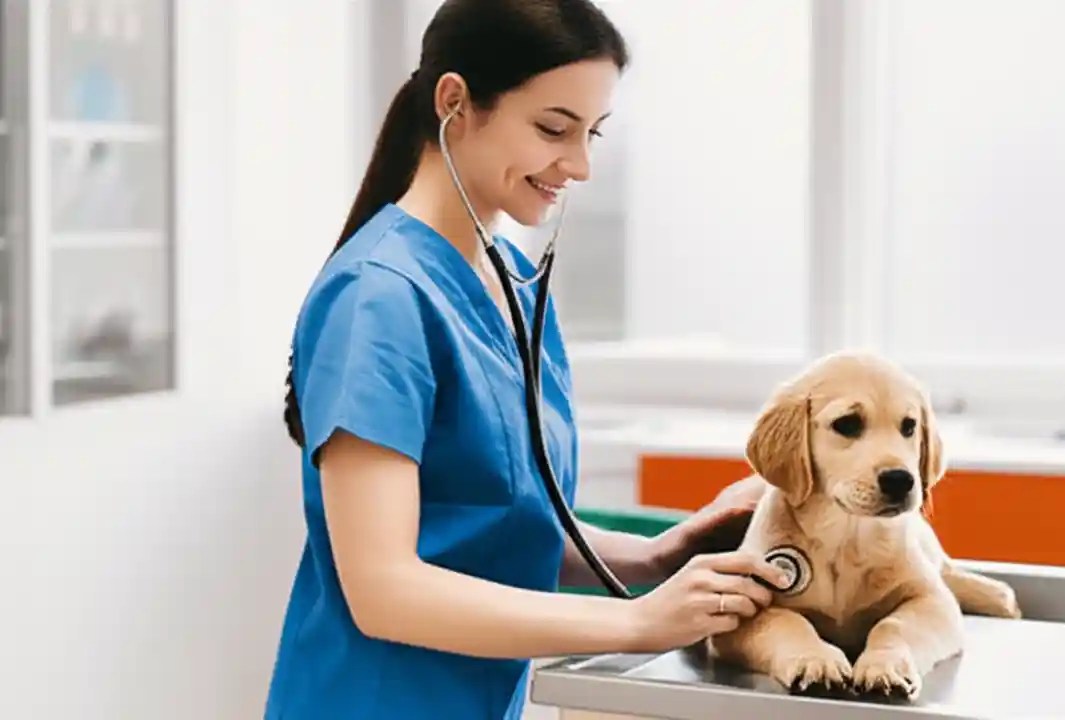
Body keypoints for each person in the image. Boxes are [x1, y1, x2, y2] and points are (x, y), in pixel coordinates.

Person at [263, 1, 789, 718]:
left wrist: (658, 557)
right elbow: (384, 589)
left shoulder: (506, 276)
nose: (578, 165)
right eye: (553, 128)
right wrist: (639, 620)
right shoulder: (377, 298)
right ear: (455, 102)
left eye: (592, 134)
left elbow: (489, 523)